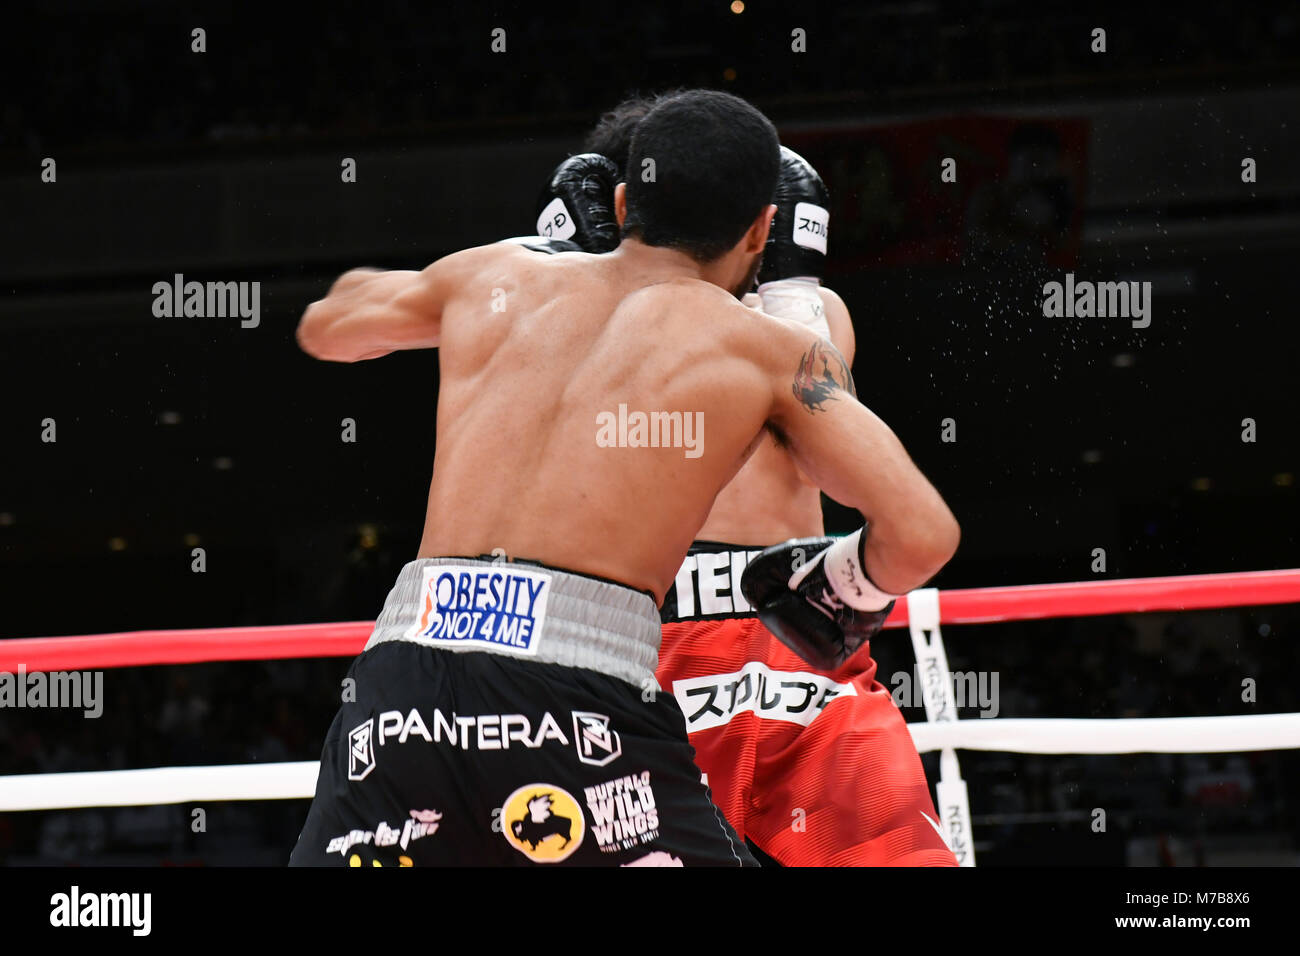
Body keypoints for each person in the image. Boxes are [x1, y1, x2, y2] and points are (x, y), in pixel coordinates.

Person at [288, 90, 959, 867]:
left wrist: (542, 257)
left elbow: (328, 326)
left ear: (618, 199)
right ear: (763, 229)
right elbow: (921, 530)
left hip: (402, 676)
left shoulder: (492, 279)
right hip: (575, 693)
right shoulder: (766, 348)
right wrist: (837, 587)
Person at [569, 95, 957, 866]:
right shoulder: (575, 326)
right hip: (640, 656)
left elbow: (829, 459)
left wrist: (787, 291)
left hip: (796, 648)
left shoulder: (810, 316)